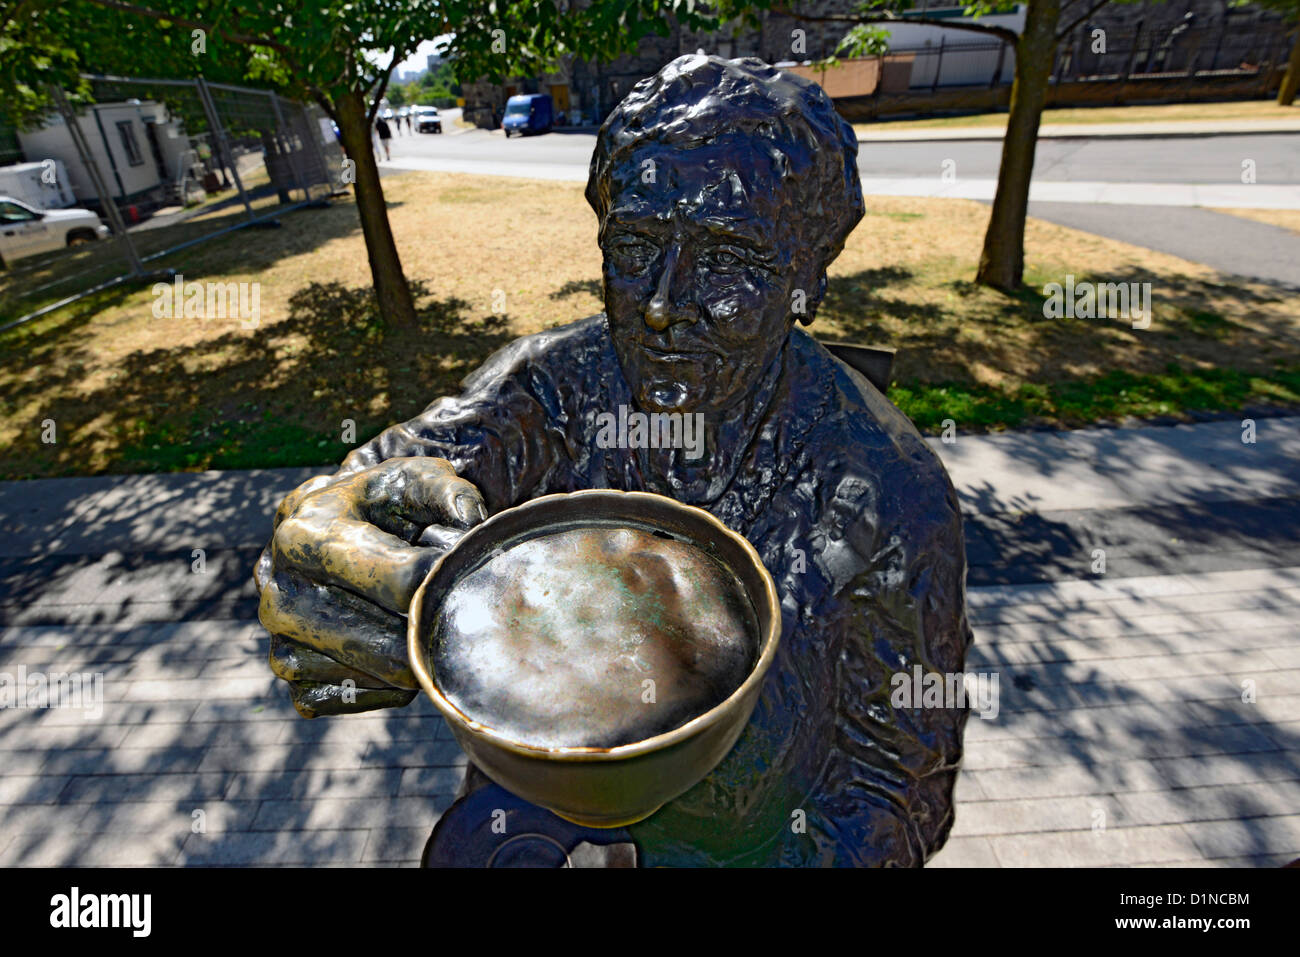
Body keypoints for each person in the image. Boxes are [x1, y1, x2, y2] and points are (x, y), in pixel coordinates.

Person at [256, 55, 972, 867]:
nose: (661, 304)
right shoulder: (557, 387)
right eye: (634, 245)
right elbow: (386, 476)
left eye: (728, 258)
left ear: (809, 271)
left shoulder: (889, 488)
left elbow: (899, 787)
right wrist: (332, 543)